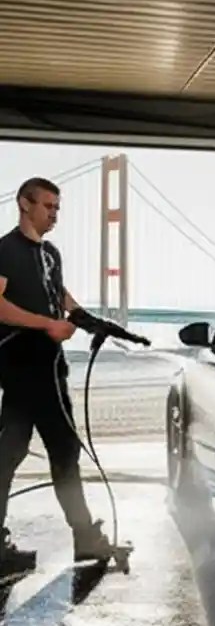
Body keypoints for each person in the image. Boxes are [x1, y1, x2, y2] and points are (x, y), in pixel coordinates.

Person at [0, 177, 114, 574]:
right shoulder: (6, 250)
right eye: (48, 206)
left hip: (49, 367)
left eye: (58, 207)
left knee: (9, 453)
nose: (54, 214)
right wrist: (48, 325)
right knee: (64, 450)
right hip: (21, 365)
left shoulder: (50, 252)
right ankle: (85, 539)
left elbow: (58, 293)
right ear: (24, 204)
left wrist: (86, 319)